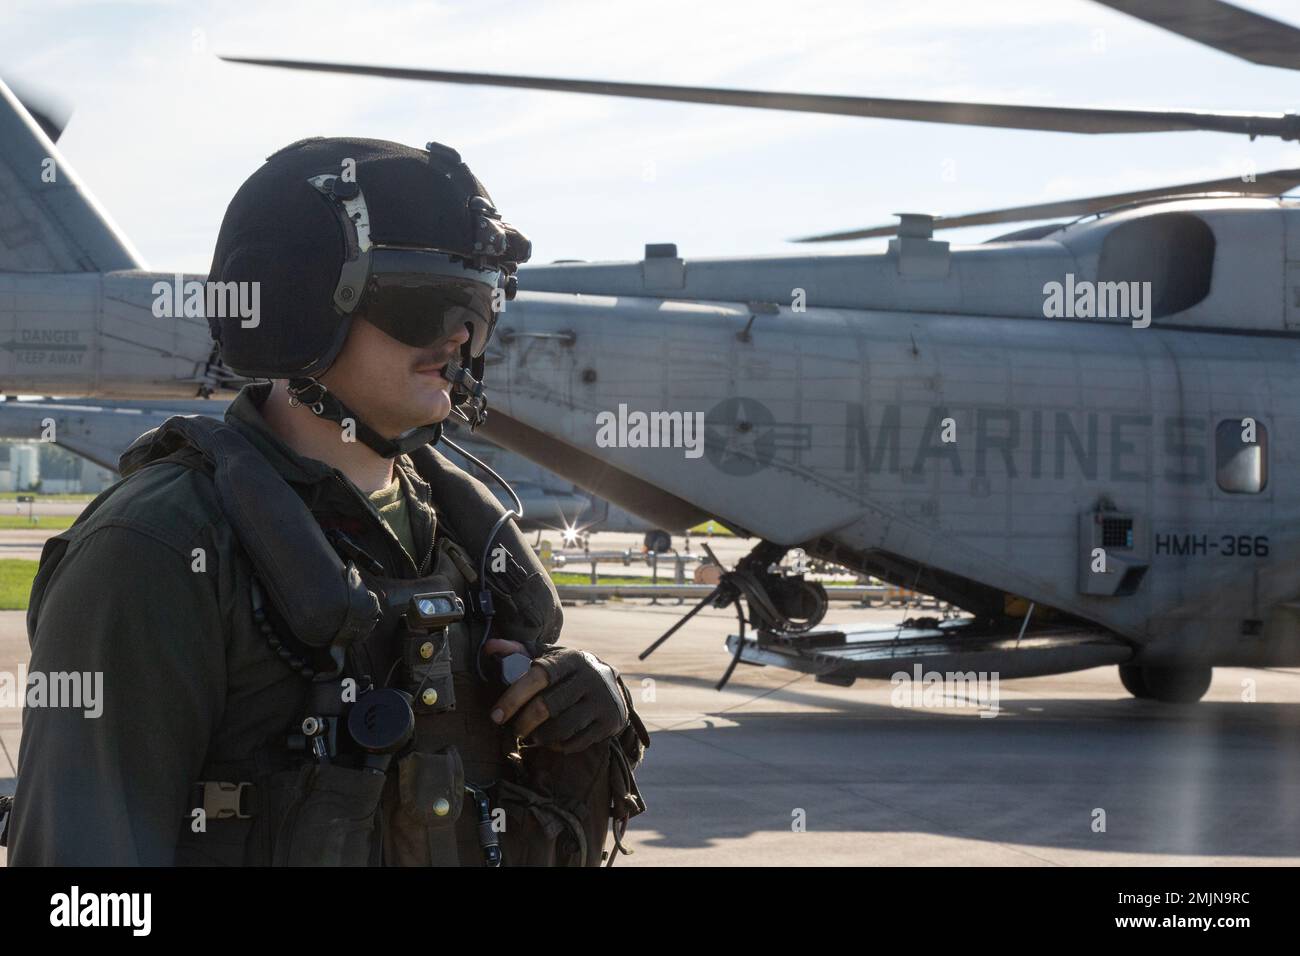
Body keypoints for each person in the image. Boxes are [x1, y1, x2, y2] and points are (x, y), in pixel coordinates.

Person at [3, 136, 646, 866]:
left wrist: (593, 705)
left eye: (480, 304)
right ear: (294, 306)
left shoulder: (465, 546)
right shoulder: (155, 551)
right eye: (428, 302)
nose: (462, 336)